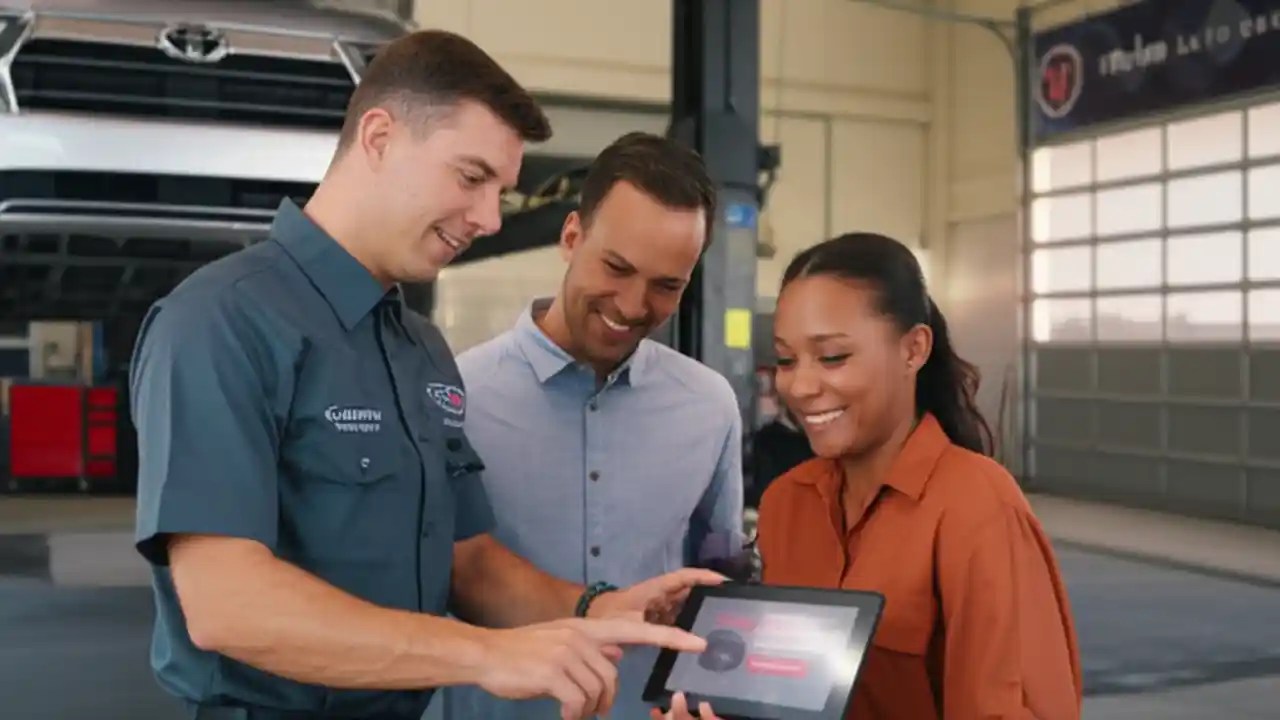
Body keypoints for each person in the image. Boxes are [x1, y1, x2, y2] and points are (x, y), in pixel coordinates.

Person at [128, 30, 723, 720]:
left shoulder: (421, 351)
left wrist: (594, 608)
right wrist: (485, 654)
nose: (490, 218)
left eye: (500, 191)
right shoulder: (221, 321)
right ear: (379, 137)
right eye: (471, 178)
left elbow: (465, 561)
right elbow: (227, 606)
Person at [663, 232, 1083, 720]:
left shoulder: (977, 509)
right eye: (785, 359)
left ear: (913, 350)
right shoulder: (786, 505)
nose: (800, 386)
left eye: (833, 357)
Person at [442, 132, 747, 720]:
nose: (633, 305)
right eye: (616, 267)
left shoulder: (710, 407)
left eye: (667, 286)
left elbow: (721, 587)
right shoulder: (458, 395)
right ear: (572, 235)